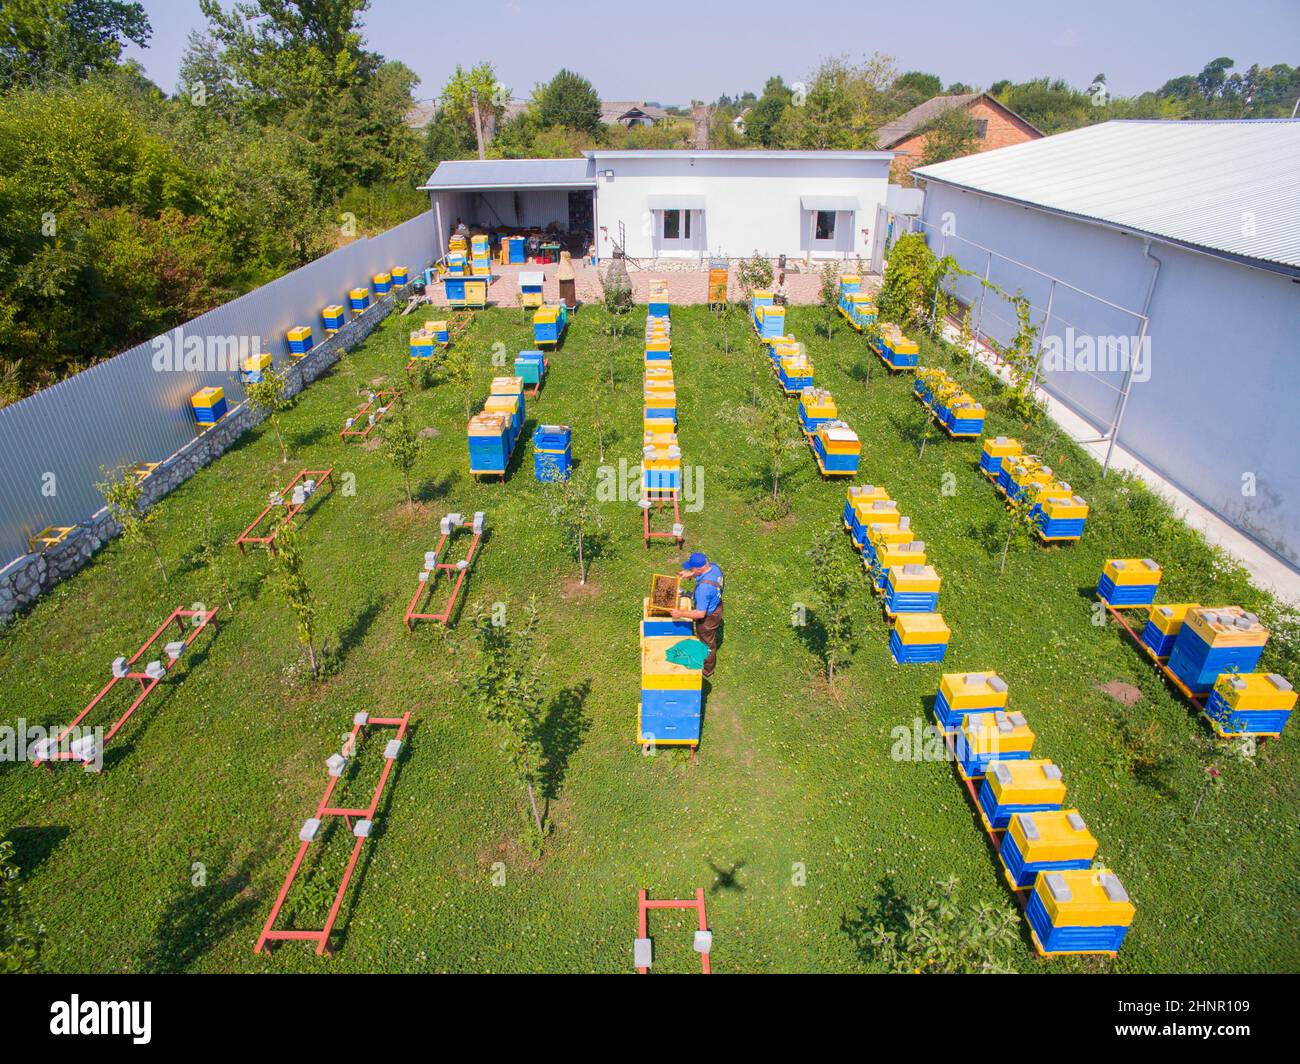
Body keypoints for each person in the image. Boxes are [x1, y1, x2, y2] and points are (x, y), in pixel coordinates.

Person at [670, 552, 724, 680]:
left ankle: (707, 671)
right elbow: (703, 575)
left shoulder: (703, 589)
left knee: (707, 644)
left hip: (708, 618)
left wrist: (680, 613)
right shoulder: (714, 567)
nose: (690, 570)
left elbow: (700, 613)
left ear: (700, 568)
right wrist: (691, 574)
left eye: (692, 568)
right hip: (717, 605)